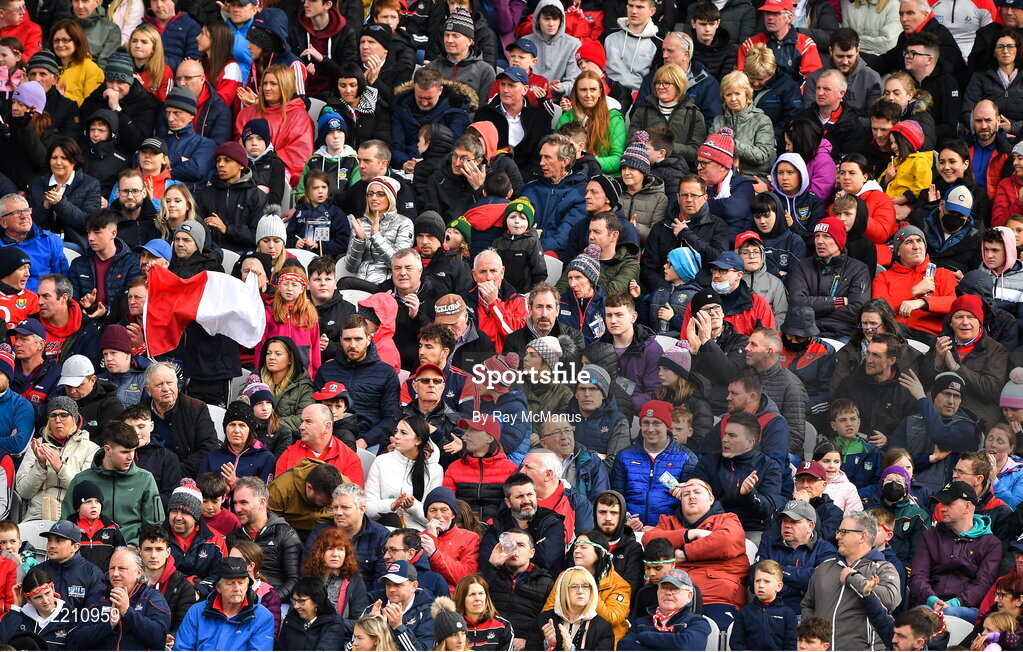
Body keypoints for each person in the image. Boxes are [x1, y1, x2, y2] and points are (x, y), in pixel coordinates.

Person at [643, 478, 749, 627]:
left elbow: (727, 542)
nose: (691, 496)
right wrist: (688, 534)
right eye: (686, 494)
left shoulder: (728, 519)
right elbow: (649, 540)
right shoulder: (667, 522)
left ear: (711, 499)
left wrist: (685, 554)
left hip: (716, 597)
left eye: (697, 492)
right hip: (671, 596)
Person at [801, 512, 901, 650]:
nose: (837, 536)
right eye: (838, 531)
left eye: (843, 532)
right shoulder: (824, 568)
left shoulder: (883, 568)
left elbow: (891, 600)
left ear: (862, 536)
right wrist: (813, 632)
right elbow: (807, 604)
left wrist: (853, 579)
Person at [909, 480, 1002, 622]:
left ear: (967, 507)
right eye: (941, 503)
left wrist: (956, 602)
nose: (941, 508)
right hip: (929, 605)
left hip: (967, 609)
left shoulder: (991, 543)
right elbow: (918, 576)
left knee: (947, 613)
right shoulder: (930, 536)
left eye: (949, 504)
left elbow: (983, 583)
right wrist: (932, 599)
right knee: (923, 615)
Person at [314, 314, 400, 450]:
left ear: (368, 339)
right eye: (347, 339)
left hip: (371, 442)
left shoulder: (387, 373)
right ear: (341, 340)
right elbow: (316, 411)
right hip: (329, 438)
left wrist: (364, 441)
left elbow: (391, 418)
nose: (352, 345)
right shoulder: (326, 371)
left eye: (358, 339)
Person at [692, 411, 783, 540]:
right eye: (725, 433)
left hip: (749, 531)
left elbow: (767, 509)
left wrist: (750, 494)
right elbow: (696, 497)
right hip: (711, 527)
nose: (724, 439)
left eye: (732, 435)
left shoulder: (768, 466)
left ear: (750, 443)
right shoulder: (708, 462)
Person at [610, 400, 694, 525]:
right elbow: (616, 498)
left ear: (667, 426)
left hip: (668, 530)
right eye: (645, 423)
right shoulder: (624, 456)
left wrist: (667, 527)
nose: (650, 429)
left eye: (656, 423)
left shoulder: (686, 457)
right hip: (631, 528)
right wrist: (626, 521)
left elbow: (692, 504)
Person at [15, 396, 98, 520]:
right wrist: (41, 465)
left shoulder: (91, 449)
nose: (57, 420)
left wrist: (60, 468)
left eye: (64, 415)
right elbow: (23, 492)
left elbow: (87, 491)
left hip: (74, 516)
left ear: (74, 419)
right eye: (53, 415)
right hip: (38, 515)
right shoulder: (37, 446)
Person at [72, 546, 171, 650]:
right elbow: (80, 639)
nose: (115, 574)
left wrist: (127, 612)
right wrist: (109, 625)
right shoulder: (97, 598)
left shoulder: (152, 597)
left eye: (122, 568)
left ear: (139, 573)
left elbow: (159, 638)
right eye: (112, 568)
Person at [788, 217, 871, 339]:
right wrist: (837, 302)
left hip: (843, 334)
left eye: (826, 236)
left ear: (839, 240)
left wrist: (816, 310)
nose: (819, 241)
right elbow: (796, 303)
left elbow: (857, 310)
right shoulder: (802, 266)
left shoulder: (858, 269)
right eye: (817, 236)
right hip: (807, 334)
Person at [753, 499, 838, 615]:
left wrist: (776, 573)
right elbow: (753, 576)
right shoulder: (769, 543)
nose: (787, 526)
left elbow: (821, 584)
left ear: (811, 526)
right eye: (784, 521)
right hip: (766, 612)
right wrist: (801, 589)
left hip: (803, 616)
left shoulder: (825, 549)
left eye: (794, 521)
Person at [172, 557, 276, 651]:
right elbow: (182, 648)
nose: (237, 589)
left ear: (248, 585)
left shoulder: (263, 617)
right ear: (218, 587)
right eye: (230, 583)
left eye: (241, 583)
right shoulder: (196, 611)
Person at [227, 476, 302, 601]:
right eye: (235, 503)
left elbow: (294, 579)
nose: (237, 509)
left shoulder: (285, 533)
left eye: (243, 502)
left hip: (277, 603)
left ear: (262, 502)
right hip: (239, 602)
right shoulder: (233, 537)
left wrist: (270, 599)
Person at [833, 332, 919, 439]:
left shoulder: (906, 389)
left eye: (876, 355)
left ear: (891, 360)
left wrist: (888, 440)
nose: (869, 360)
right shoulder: (849, 384)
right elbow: (832, 420)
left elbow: (913, 431)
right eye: (868, 353)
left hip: (891, 452)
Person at [140, 360, 218, 477]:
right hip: (149, 476)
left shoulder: (197, 408)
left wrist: (176, 472)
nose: (166, 388)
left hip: (187, 474)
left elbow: (208, 448)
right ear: (148, 390)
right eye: (159, 384)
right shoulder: (138, 413)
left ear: (177, 385)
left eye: (170, 383)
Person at [480, 528, 553, 651]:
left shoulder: (545, 582)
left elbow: (548, 619)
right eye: (510, 544)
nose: (515, 549)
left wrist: (529, 641)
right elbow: (469, 595)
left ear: (532, 553)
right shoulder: (491, 573)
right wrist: (491, 565)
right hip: (490, 639)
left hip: (524, 645)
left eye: (521, 545)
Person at [479, 474, 568, 573]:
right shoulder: (498, 524)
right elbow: (487, 559)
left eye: (530, 494)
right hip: (504, 584)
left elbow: (546, 558)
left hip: (544, 584)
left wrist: (506, 556)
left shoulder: (552, 522)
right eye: (520, 496)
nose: (526, 500)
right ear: (508, 502)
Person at [441, 414, 518, 522]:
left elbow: (516, 507)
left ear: (490, 438)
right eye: (467, 430)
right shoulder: (455, 467)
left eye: (472, 430)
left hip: (498, 531)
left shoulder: (510, 469)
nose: (465, 435)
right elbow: (446, 504)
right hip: (464, 531)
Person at [273, 403, 362, 482]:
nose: (301, 427)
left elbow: (352, 497)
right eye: (302, 421)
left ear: (327, 426)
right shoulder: (288, 454)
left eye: (308, 422)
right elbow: (279, 494)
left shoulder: (349, 458)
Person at [138, 523, 198, 640]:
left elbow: (184, 624)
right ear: (140, 552)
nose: (153, 555)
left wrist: (171, 637)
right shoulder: (130, 580)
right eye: (148, 549)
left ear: (168, 552)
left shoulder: (183, 586)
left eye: (159, 549)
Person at [360, 560, 435, 650]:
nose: (391, 589)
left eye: (398, 585)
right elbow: (352, 647)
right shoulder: (373, 609)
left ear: (414, 586)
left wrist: (398, 627)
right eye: (388, 584)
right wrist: (372, 626)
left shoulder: (428, 612)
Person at [537, 566, 614, 651]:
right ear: (563, 590)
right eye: (574, 586)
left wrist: (571, 649)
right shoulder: (544, 620)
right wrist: (549, 645)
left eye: (586, 586)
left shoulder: (603, 627)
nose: (580, 591)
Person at [35, 520, 105, 612]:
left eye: (59, 541)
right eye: (49, 540)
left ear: (75, 547)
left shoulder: (92, 574)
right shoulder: (36, 572)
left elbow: (94, 615)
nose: (51, 545)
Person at [0, 567, 76, 646]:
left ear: (53, 588)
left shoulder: (70, 617)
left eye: (47, 593)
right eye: (38, 597)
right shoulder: (19, 617)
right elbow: (4, 643)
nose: (45, 601)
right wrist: (16, 608)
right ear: (28, 599)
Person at [276, 576, 346, 650]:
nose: (296, 606)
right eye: (294, 600)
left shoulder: (333, 624)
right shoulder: (290, 621)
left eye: (301, 601)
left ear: (316, 601)